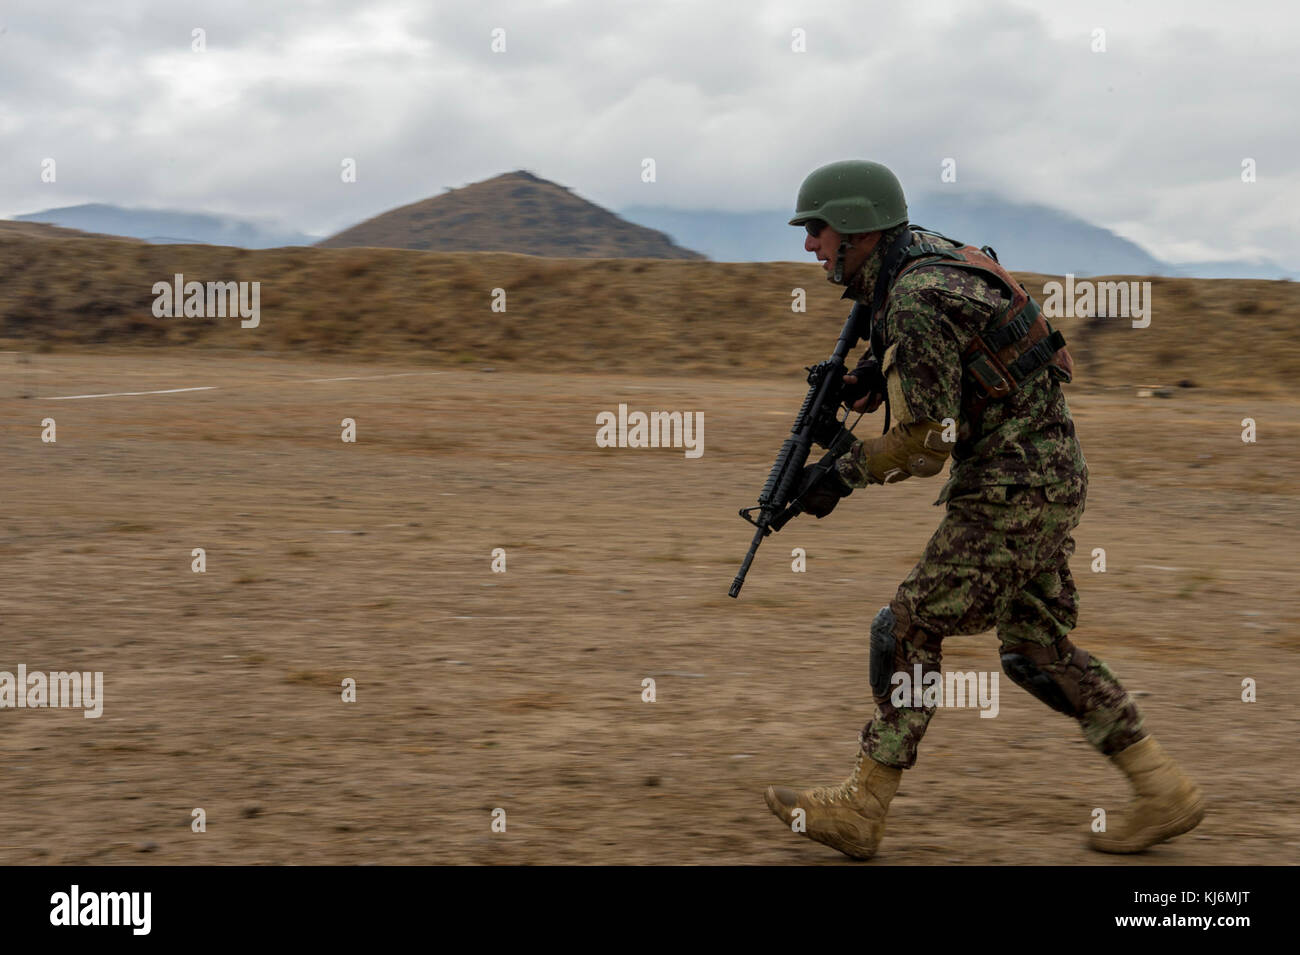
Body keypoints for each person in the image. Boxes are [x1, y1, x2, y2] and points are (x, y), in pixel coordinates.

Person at [762, 159, 1204, 859]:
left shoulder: (912, 295)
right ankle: (1163, 789)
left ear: (859, 230)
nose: (810, 246)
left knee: (906, 626)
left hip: (1015, 487)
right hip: (1043, 475)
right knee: (1035, 651)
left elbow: (927, 442)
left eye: (817, 230)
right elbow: (959, 358)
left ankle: (862, 807)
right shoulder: (926, 260)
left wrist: (837, 475)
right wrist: (877, 375)